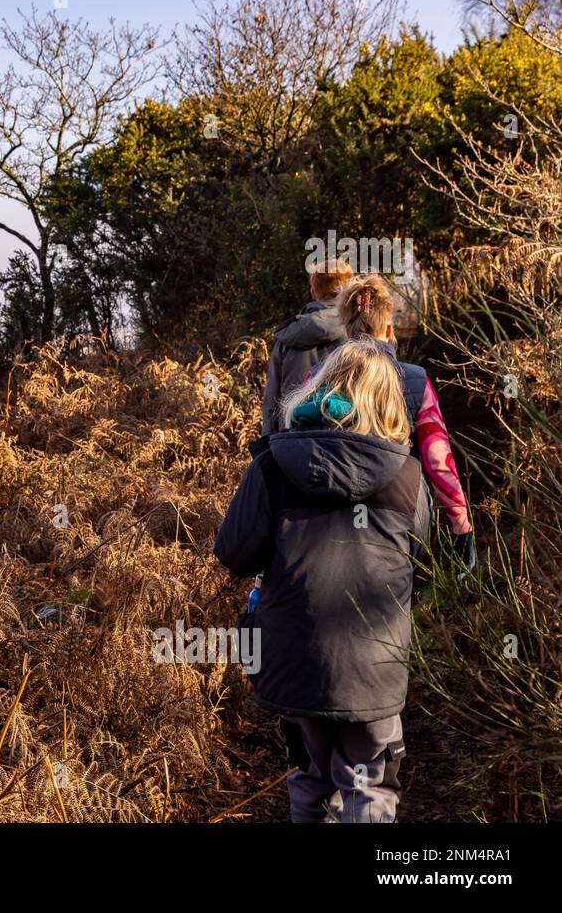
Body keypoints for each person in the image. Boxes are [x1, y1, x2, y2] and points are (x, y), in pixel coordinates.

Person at [215, 337, 430, 822]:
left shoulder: (273, 465)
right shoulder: (410, 479)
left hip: (293, 663)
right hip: (376, 666)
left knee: (310, 781)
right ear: (389, 402)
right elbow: (426, 571)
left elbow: (233, 553)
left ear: (320, 389)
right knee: (370, 785)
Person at [334, 274, 476, 567]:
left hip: (328, 516)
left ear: (345, 330)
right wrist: (460, 522)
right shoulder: (415, 380)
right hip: (399, 516)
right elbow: (438, 460)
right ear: (389, 328)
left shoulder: (319, 380)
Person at [261, 259, 354, 436]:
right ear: (349, 290)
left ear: (314, 292)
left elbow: (271, 401)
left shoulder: (287, 337)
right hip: (341, 437)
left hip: (290, 438)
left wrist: (267, 447)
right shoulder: (355, 332)